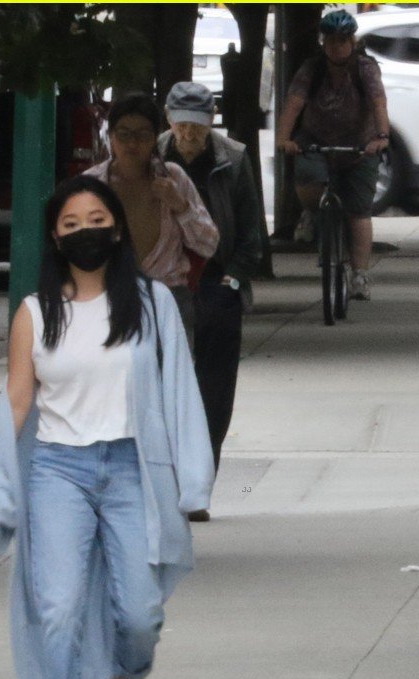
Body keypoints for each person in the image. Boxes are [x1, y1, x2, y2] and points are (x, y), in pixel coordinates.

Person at [0, 175, 214, 679]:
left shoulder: (152, 304)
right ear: (55, 237)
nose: (87, 233)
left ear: (118, 229)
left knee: (139, 611)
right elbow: (18, 402)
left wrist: (192, 478)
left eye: (97, 221)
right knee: (58, 604)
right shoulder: (34, 312)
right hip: (58, 471)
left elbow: (181, 390)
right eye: (72, 225)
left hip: (131, 467)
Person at [159, 81, 263, 518]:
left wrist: (234, 280)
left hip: (217, 280)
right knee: (165, 387)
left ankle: (199, 487)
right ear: (168, 120)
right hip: (165, 281)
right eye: (182, 125)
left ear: (211, 122)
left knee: (214, 392)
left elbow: (251, 231)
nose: (189, 135)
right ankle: (166, 486)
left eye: (197, 127)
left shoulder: (233, 158)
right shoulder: (150, 155)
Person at [275, 9, 390, 301]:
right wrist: (284, 138)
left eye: (342, 41)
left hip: (359, 147)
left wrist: (381, 137)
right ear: (322, 43)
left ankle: (360, 275)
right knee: (309, 180)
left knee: (358, 212)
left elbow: (378, 103)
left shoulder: (365, 69)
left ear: (352, 42)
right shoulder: (312, 69)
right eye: (330, 41)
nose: (336, 46)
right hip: (316, 141)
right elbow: (293, 104)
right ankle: (313, 214)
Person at [86, 93, 219, 341]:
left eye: (143, 135)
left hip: (169, 299)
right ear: (111, 136)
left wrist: (180, 205)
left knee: (169, 376)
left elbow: (209, 243)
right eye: (123, 134)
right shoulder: (91, 186)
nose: (132, 144)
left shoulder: (174, 178)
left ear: (156, 137)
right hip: (106, 298)